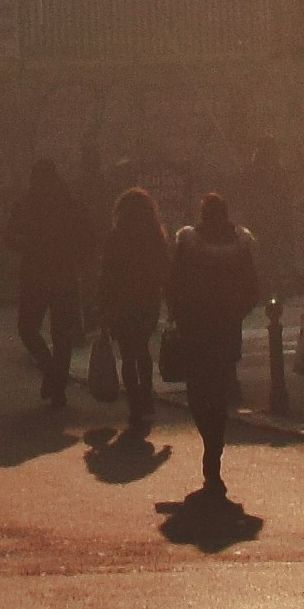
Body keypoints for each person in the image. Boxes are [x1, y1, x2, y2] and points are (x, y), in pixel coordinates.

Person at [170, 186, 273, 502]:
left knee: (198, 392)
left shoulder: (187, 245)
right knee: (220, 388)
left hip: (195, 329)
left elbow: (172, 285)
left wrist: (178, 314)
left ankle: (210, 446)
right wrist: (235, 312)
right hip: (226, 330)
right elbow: (253, 289)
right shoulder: (240, 247)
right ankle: (215, 448)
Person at [94, 184, 181, 438]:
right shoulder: (155, 235)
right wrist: (169, 301)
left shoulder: (116, 236)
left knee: (128, 354)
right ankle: (146, 394)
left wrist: (103, 305)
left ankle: (135, 401)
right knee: (142, 349)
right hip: (147, 300)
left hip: (122, 302)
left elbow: (107, 274)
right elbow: (165, 269)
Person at [12, 153, 94, 408]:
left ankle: (51, 371)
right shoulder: (72, 204)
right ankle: (58, 382)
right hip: (65, 275)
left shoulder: (26, 205)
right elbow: (89, 238)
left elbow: (10, 236)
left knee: (28, 329)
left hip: (35, 275)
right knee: (62, 335)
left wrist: (27, 245)